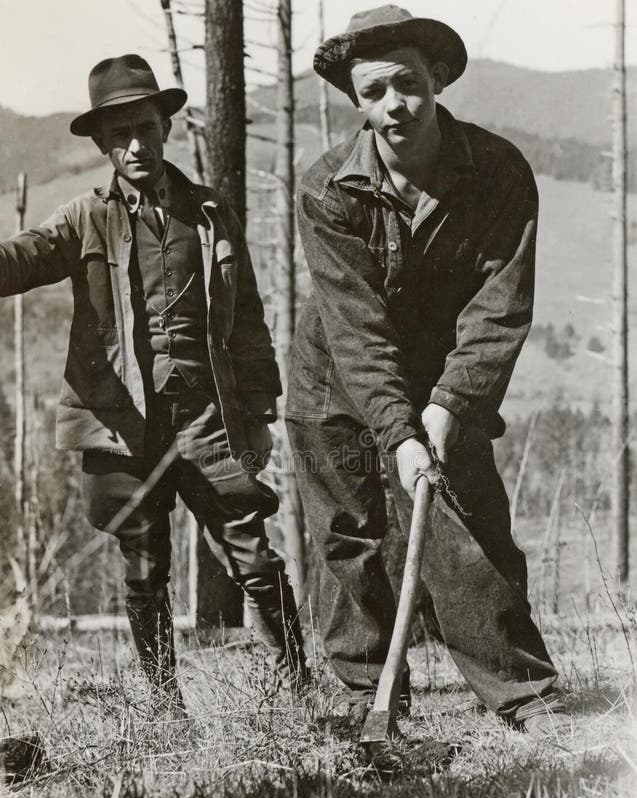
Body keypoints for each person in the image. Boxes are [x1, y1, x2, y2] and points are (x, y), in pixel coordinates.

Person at [286, 6, 567, 734]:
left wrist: (446, 407)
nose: (393, 106)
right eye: (372, 92)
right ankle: (365, 694)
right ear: (355, 100)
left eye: (406, 84)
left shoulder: (497, 172)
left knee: (466, 521)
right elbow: (356, 331)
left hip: (446, 373)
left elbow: (499, 308)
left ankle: (521, 692)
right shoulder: (326, 190)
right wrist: (397, 432)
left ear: (437, 78)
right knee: (347, 530)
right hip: (337, 376)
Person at [0, 55, 308, 704]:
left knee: (251, 550)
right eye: (119, 135)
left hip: (208, 418)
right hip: (122, 425)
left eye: (144, 127)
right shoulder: (85, 218)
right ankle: (164, 702)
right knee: (144, 568)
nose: (134, 145)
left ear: (165, 126)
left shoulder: (210, 215)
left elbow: (246, 320)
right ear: (103, 144)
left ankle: (299, 684)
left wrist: (258, 411)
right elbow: (23, 258)